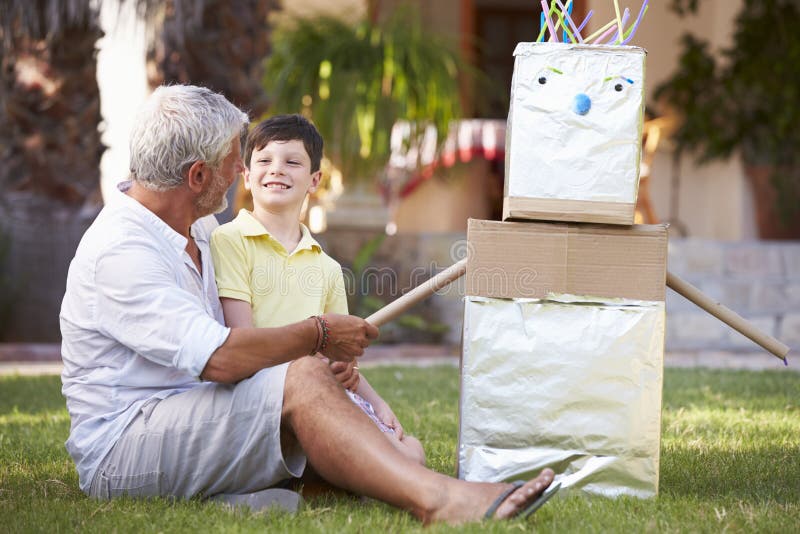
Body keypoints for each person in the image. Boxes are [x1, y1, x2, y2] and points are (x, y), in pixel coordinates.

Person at [59, 84, 556, 525]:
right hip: (126, 447)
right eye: (235, 158)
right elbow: (219, 358)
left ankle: (271, 494)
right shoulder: (122, 251)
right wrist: (318, 333)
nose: (241, 168)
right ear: (196, 177)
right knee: (302, 377)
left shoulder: (198, 227)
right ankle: (438, 500)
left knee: (338, 410)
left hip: (192, 413)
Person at [210, 114, 424, 465]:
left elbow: (341, 361)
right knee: (387, 458)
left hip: (324, 391)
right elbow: (240, 339)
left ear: (314, 180)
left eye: (292, 162)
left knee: (411, 451)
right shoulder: (230, 240)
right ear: (246, 176)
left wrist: (377, 401)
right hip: (261, 395)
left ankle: (341, 467)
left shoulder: (326, 268)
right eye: (264, 161)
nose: (276, 169)